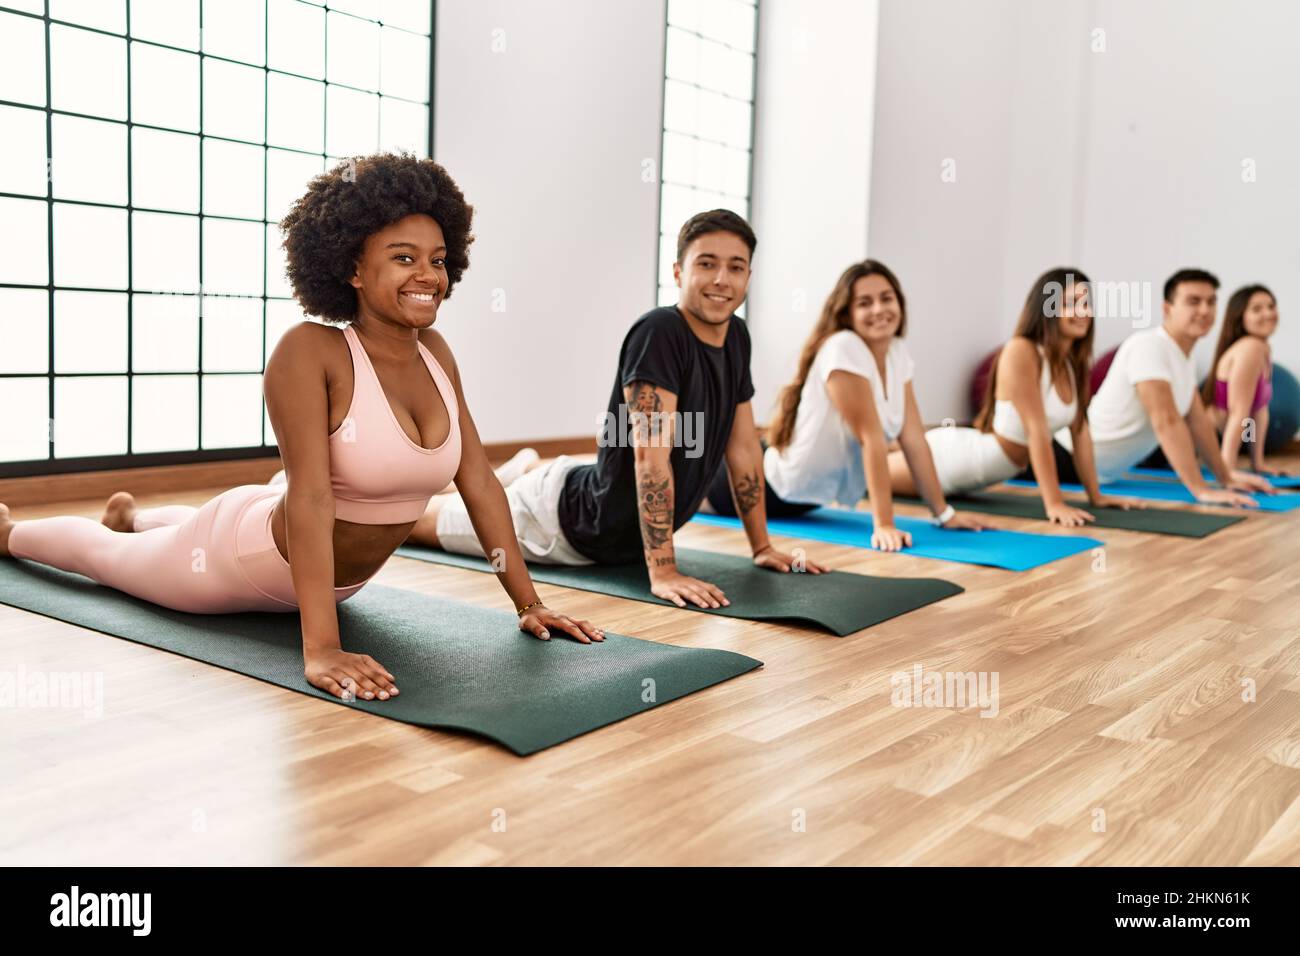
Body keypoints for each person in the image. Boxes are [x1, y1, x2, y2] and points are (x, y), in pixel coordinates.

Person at [0, 152, 604, 703]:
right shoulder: (308, 350)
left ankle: (135, 516)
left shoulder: (437, 352)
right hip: (241, 560)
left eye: (438, 259)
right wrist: (320, 647)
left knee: (160, 530)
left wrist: (530, 603)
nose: (429, 275)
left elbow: (478, 480)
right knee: (109, 559)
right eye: (403, 258)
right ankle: (11, 534)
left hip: (330, 576)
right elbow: (311, 497)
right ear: (352, 270)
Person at [406, 209, 828, 609]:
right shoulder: (659, 333)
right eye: (706, 264)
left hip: (589, 495)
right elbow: (650, 457)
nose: (721, 279)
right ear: (679, 271)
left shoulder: (737, 336)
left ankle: (521, 469)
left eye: (736, 267)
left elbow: (743, 450)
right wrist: (663, 571)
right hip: (560, 525)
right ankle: (495, 480)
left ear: (749, 277)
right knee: (415, 522)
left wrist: (762, 547)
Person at [703, 259, 990, 552]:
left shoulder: (896, 353)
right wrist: (884, 524)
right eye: (865, 303)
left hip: (802, 499)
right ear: (848, 313)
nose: (878, 309)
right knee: (680, 498)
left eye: (886, 298)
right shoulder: (844, 347)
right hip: (763, 484)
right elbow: (871, 438)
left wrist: (944, 514)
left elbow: (914, 439)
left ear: (900, 304)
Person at [892, 268, 1130, 526]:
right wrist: (1054, 503)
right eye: (1071, 303)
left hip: (976, 472)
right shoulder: (1022, 351)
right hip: (953, 462)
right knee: (860, 473)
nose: (1083, 312)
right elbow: (1036, 431)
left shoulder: (1074, 365)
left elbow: (1080, 432)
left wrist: (1096, 496)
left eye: (1086, 303)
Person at [1062, 268, 1271, 505]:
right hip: (1064, 455)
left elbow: (1198, 421)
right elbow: (1166, 420)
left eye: (1211, 302)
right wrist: (1202, 490)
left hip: (1095, 471)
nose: (1205, 310)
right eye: (1194, 301)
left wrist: (1225, 477)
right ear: (1167, 308)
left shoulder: (1183, 357)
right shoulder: (1149, 346)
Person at [1202, 284, 1284, 474]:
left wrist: (1258, 463)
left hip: (1217, 442)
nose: (1268, 313)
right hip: (1187, 446)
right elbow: (1239, 412)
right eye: (1257, 309)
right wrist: (1227, 470)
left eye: (1271, 306)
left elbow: (1258, 412)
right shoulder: (1251, 348)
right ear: (1240, 317)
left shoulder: (1262, 348)